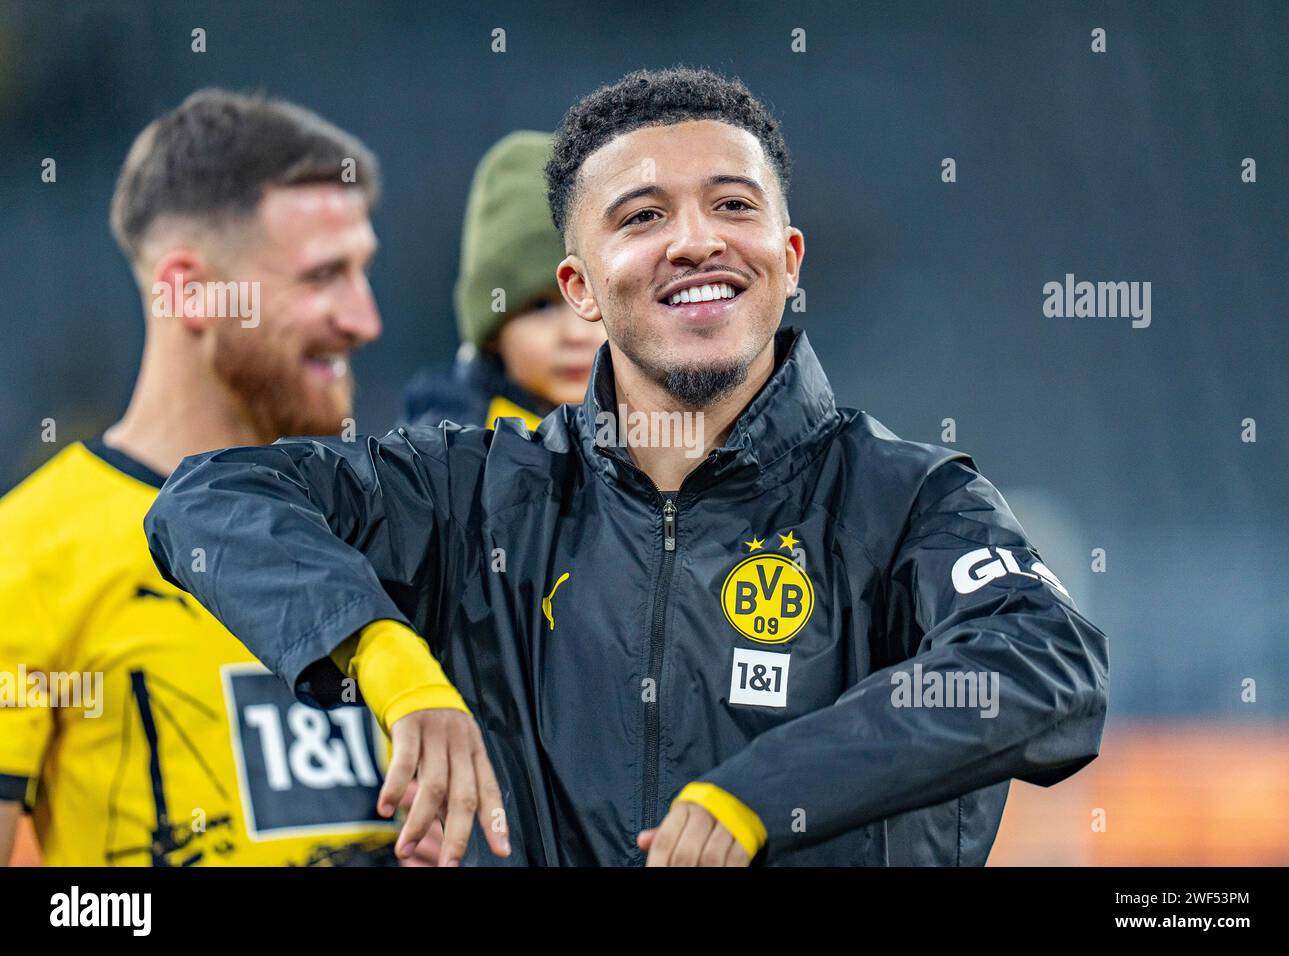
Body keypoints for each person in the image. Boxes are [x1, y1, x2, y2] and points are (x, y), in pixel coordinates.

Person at [145, 68, 1109, 867]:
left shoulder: (906, 500)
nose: (696, 239)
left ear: (789, 254)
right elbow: (207, 500)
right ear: (582, 287)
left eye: (733, 205)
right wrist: (393, 664)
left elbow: (1047, 668)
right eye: (643, 215)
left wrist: (765, 792)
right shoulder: (475, 493)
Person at [0, 90, 398, 865]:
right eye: (324, 277)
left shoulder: (389, 530)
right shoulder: (27, 555)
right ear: (189, 290)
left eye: (364, 271)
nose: (364, 319)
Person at [400, 131, 606, 431]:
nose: (576, 334)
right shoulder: (453, 451)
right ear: (492, 334)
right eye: (540, 307)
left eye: (594, 299)